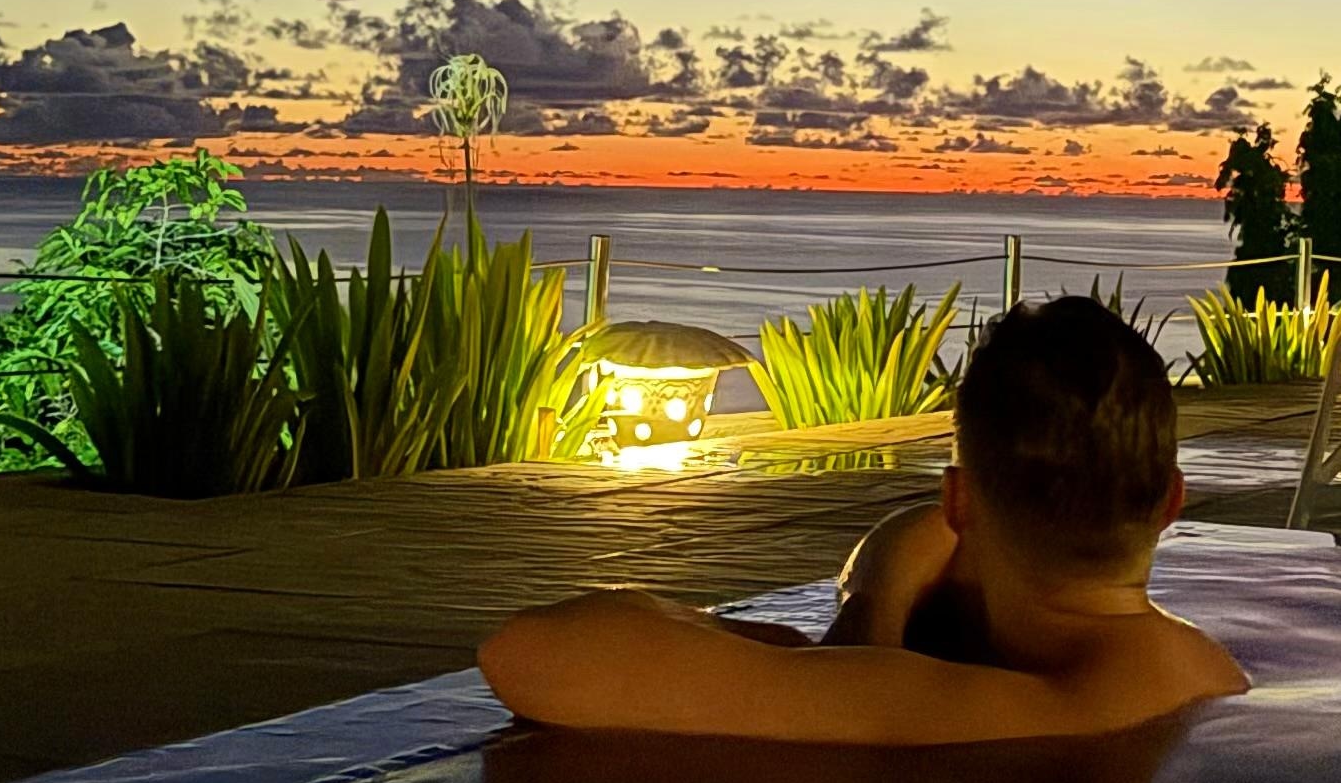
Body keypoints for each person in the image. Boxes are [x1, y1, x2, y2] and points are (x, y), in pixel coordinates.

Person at [475, 294, 1248, 742]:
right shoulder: (1209, 676)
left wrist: (867, 618)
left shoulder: (1005, 713)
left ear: (958, 503)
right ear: (1171, 501)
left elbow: (532, 656)